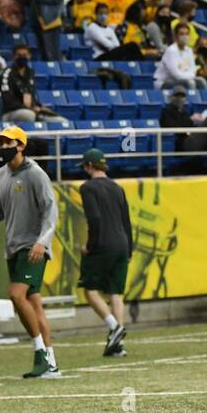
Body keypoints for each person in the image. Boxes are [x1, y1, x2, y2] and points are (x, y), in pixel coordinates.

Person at [0, 127, 61, 378]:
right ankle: (51, 363)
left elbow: (50, 211)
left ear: (21, 146)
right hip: (13, 248)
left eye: (8, 142)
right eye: (0, 143)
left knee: (15, 294)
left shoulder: (35, 174)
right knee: (34, 304)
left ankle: (40, 353)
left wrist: (42, 242)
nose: (3, 147)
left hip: (33, 248)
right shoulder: (0, 175)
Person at [78, 148, 133, 357]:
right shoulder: (117, 188)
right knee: (115, 293)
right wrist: (130, 248)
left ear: (89, 166)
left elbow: (95, 219)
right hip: (122, 244)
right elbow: (126, 221)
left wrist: (90, 246)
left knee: (90, 290)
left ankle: (114, 327)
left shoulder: (88, 188)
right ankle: (117, 346)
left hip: (102, 244)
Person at [153, 21, 200, 89]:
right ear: (175, 36)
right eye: (181, 34)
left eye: (187, 34)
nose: (185, 36)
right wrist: (190, 77)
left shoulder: (189, 50)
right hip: (164, 83)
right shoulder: (171, 51)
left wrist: (190, 76)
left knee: (201, 81)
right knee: (190, 83)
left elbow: (193, 70)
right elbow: (176, 74)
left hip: (182, 80)